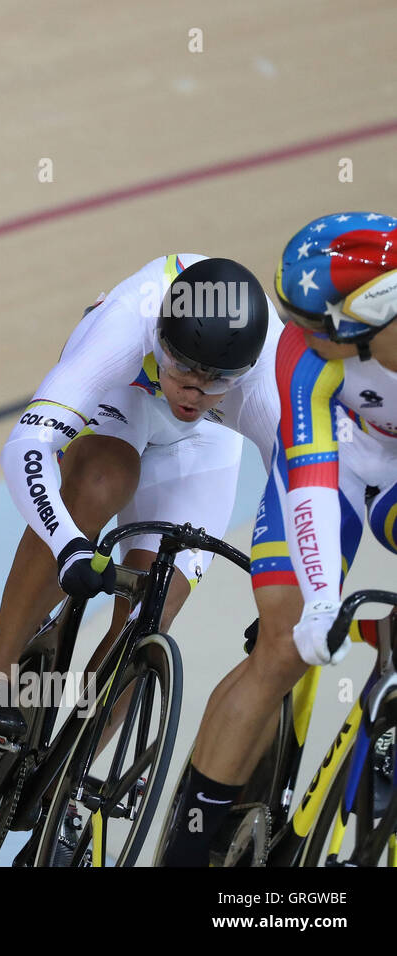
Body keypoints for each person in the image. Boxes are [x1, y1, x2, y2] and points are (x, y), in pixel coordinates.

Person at [0, 255, 283, 746]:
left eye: (216, 380)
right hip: (122, 401)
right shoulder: (129, 322)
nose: (194, 391)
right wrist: (69, 544)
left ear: (243, 371)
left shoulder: (267, 375)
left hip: (204, 444)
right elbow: (28, 447)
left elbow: (307, 496)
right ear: (161, 337)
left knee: (154, 607)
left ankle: (67, 775)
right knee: (100, 481)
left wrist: (288, 597)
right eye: (182, 368)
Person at [159, 212, 397, 866]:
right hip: (341, 464)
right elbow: (313, 477)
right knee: (283, 642)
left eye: (312, 325)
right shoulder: (302, 351)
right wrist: (323, 600)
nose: (293, 335)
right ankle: (187, 853)